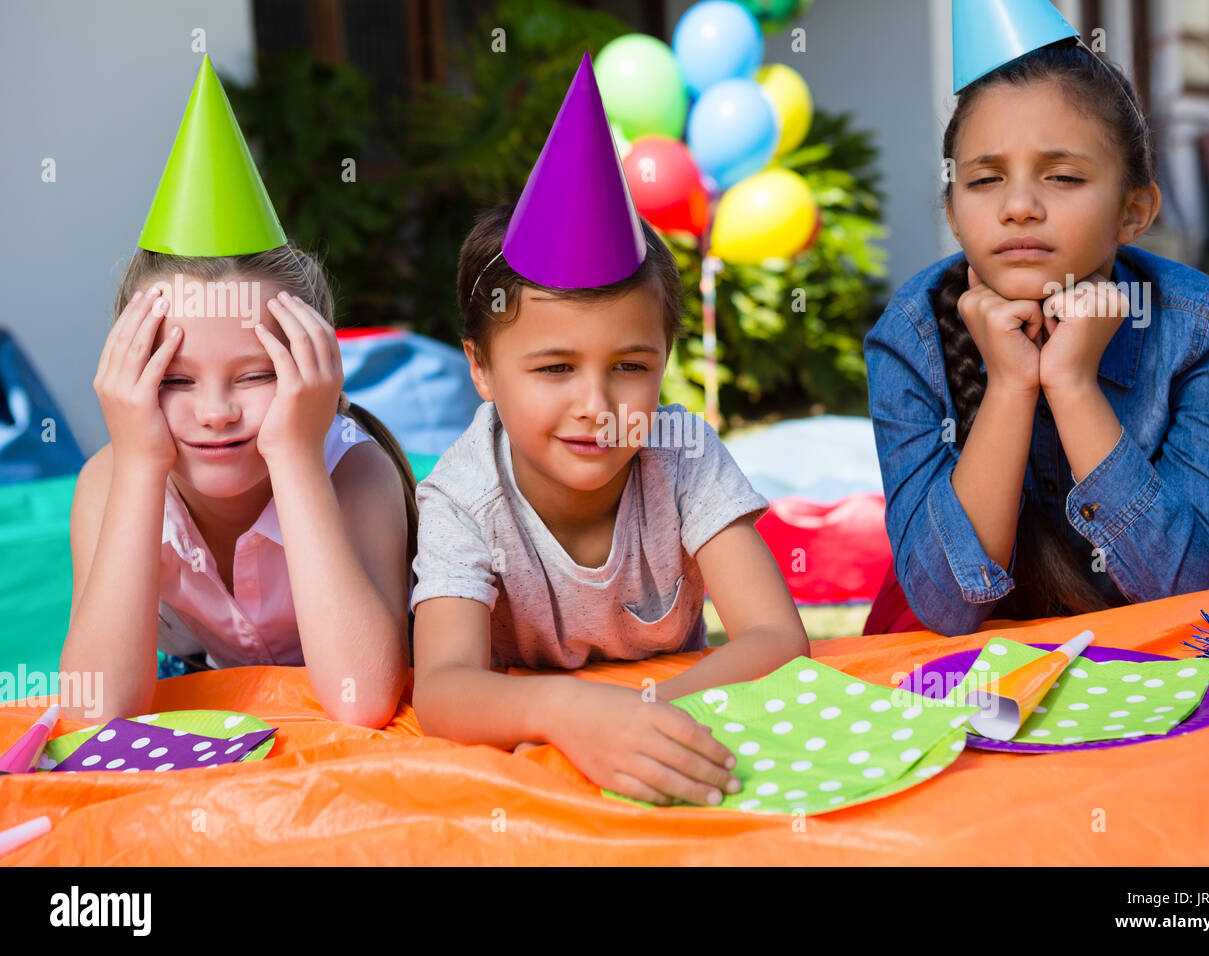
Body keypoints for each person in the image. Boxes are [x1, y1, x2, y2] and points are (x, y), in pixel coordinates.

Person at [411, 54, 809, 808]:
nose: (598, 404)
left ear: (664, 360)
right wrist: (569, 713)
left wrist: (650, 718)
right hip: (533, 776)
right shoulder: (462, 497)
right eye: (554, 369)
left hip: (664, 738)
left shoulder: (682, 455)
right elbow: (443, 688)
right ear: (483, 371)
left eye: (629, 366)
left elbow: (776, 638)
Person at [60, 57, 413, 727]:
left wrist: (297, 458)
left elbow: (361, 700)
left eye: (256, 376)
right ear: (127, 376)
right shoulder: (111, 481)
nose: (217, 413)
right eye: (174, 380)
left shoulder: (357, 472)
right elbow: (95, 713)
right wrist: (139, 464)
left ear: (315, 373)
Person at [863, 37, 1209, 637]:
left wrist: (1072, 385)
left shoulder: (1205, 329)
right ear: (952, 211)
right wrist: (1011, 387)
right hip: (963, 662)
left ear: (1134, 210)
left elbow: (1192, 593)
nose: (1018, 206)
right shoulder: (907, 339)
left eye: (1064, 176)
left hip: (1146, 648)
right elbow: (944, 607)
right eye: (985, 179)